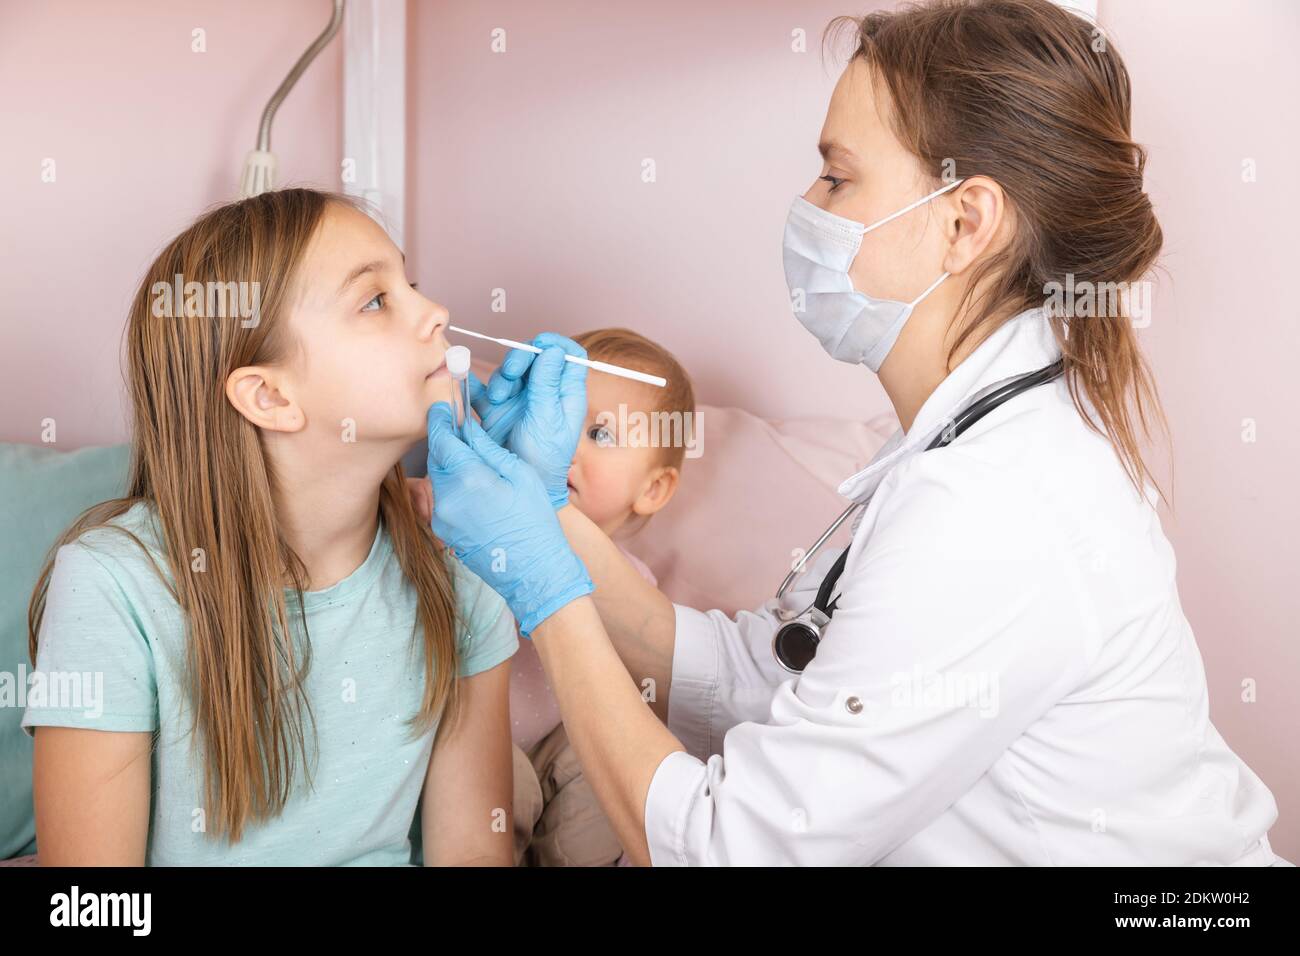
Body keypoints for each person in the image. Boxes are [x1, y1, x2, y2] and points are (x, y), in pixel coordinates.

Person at [421, 0, 1281, 865]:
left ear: (965, 223)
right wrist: (550, 515)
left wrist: (542, 584)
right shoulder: (960, 442)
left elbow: (733, 849)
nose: (805, 206)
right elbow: (769, 677)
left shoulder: (997, 506)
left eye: (837, 178)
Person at [24, 189, 517, 866]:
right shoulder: (114, 588)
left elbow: (472, 853)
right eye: (376, 300)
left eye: (411, 285)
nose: (437, 313)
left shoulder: (459, 564)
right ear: (269, 396)